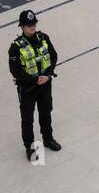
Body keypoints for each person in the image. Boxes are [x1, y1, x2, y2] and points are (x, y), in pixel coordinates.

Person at [9, 8, 61, 159]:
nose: (32, 27)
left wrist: (48, 74)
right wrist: (34, 79)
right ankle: (30, 147)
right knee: (27, 119)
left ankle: (48, 139)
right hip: (27, 88)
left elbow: (53, 55)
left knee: (46, 112)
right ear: (22, 27)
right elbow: (15, 70)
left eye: (34, 24)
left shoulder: (43, 37)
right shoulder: (16, 47)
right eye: (29, 25)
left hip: (45, 84)